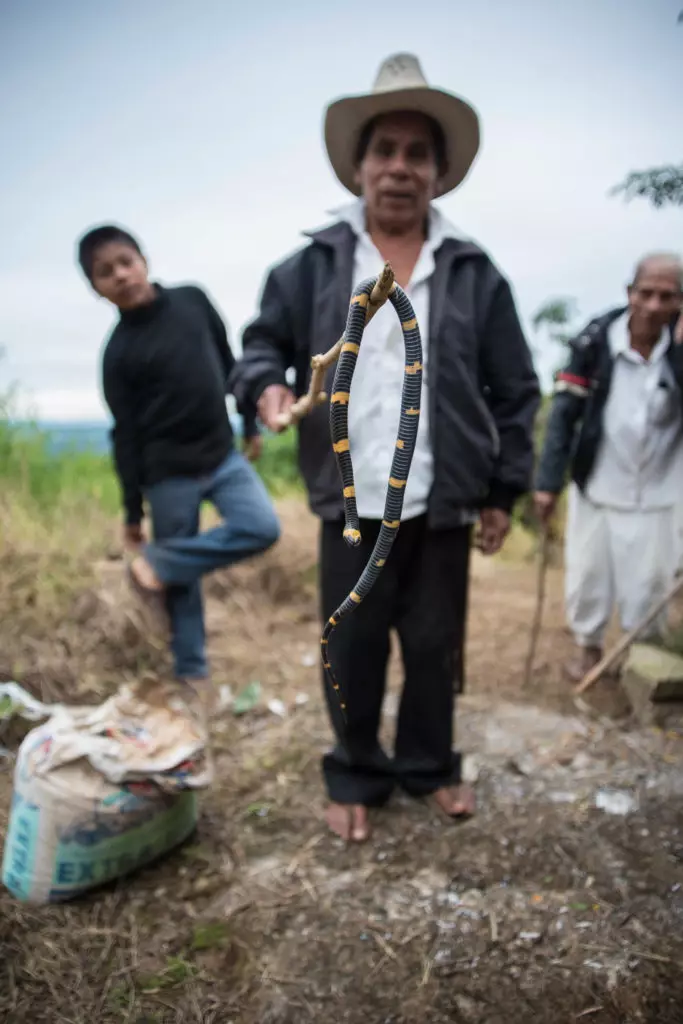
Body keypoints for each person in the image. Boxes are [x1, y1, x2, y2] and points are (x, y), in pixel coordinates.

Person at [231, 54, 540, 841]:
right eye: (385, 152)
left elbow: (515, 390)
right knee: (354, 643)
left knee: (434, 645)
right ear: (360, 166)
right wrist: (264, 387)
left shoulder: (472, 274)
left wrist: (502, 491)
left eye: (417, 154)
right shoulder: (312, 265)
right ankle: (356, 773)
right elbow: (261, 346)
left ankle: (428, 765)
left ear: (438, 173)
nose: (399, 169)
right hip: (350, 501)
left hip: (439, 502)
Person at [76, 224, 280, 703]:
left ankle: (158, 563)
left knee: (261, 526)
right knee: (182, 585)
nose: (121, 275)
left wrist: (248, 422)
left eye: (125, 261)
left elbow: (229, 363)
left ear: (143, 259)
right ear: (95, 288)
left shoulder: (193, 301)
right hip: (166, 476)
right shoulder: (118, 355)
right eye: (106, 273)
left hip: (221, 455)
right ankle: (191, 672)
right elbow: (124, 436)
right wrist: (132, 513)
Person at [534, 254, 683, 681]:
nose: (654, 306)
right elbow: (563, 414)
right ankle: (588, 650)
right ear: (629, 293)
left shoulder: (679, 346)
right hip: (596, 484)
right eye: (646, 293)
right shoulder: (596, 340)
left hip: (659, 493)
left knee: (649, 587)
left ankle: (643, 666)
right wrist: (547, 483)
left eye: (667, 296)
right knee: (588, 578)